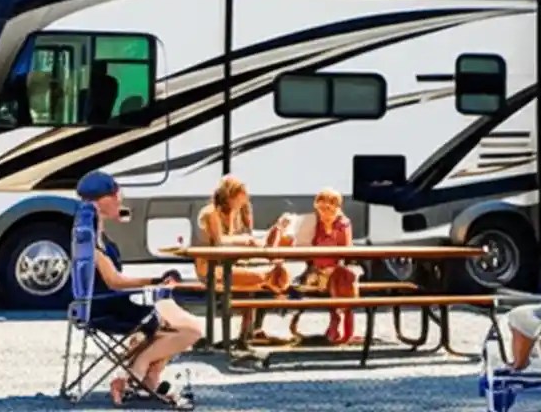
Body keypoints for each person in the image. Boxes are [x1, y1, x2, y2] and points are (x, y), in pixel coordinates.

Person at [77, 170, 205, 406]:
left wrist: (155, 282)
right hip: (108, 308)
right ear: (102, 200)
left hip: (106, 303)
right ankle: (135, 373)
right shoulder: (91, 240)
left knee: (173, 316)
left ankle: (148, 378)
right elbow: (114, 281)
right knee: (191, 330)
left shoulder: (88, 234)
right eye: (116, 194)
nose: (121, 199)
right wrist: (154, 281)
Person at [197, 177, 292, 341]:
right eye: (242, 197)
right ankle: (248, 332)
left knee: (270, 274)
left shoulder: (238, 213)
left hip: (232, 264)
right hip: (212, 269)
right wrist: (246, 241)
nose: (245, 201)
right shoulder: (210, 213)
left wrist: (275, 230)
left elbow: (248, 237)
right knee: (265, 277)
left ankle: (249, 332)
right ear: (230, 196)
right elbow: (220, 241)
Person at [296, 187, 361, 344]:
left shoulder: (343, 224)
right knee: (332, 279)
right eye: (320, 209)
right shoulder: (316, 224)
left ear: (336, 208)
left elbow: (346, 251)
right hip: (318, 271)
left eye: (327, 209)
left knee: (340, 278)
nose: (323, 213)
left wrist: (332, 266)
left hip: (339, 269)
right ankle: (336, 325)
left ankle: (343, 328)